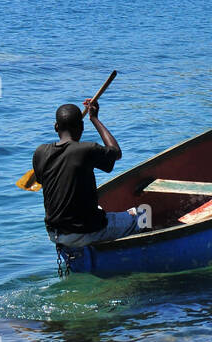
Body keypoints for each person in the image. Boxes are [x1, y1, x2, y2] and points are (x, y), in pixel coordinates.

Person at [32, 96, 139, 248]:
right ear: (81, 127)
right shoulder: (86, 149)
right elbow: (116, 152)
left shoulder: (40, 152)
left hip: (55, 233)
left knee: (99, 209)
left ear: (56, 127)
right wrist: (94, 118)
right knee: (143, 216)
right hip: (83, 232)